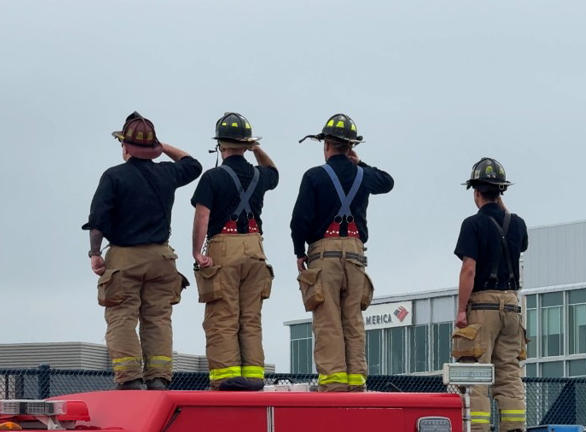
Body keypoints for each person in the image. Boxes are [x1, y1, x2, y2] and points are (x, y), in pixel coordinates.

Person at [83, 112, 202, 390]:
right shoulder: (167, 173)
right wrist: (162, 147)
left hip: (125, 258)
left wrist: (95, 254)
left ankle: (130, 379)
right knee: (158, 319)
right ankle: (159, 378)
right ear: (152, 148)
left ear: (124, 146)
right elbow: (193, 165)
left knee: (122, 317)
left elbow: (98, 221)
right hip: (162, 259)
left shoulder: (113, 176)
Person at [292, 113, 394, 392]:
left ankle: (334, 385)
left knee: (328, 320)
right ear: (350, 147)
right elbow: (387, 182)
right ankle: (356, 383)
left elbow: (299, 220)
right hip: (356, 255)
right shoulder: (364, 176)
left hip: (324, 255)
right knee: (353, 320)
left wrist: (299, 251)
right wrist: (360, 163)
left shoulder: (314, 176)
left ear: (326, 145)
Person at [191, 112, 278, 391]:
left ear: (220, 145)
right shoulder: (260, 175)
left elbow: (202, 215)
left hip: (224, 248)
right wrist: (256, 148)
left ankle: (226, 379)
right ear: (245, 144)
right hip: (255, 249)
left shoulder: (212, 177)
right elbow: (274, 171)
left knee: (222, 316)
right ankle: (253, 377)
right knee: (250, 318)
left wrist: (197, 252)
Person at [452, 157, 528, 432]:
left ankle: (478, 428)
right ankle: (514, 427)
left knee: (476, 373)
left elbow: (469, 269)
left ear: (476, 192)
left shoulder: (472, 224)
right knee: (509, 373)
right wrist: (501, 206)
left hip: (483, 306)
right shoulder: (517, 223)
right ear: (501, 192)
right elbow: (522, 244)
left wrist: (462, 310)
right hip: (512, 306)